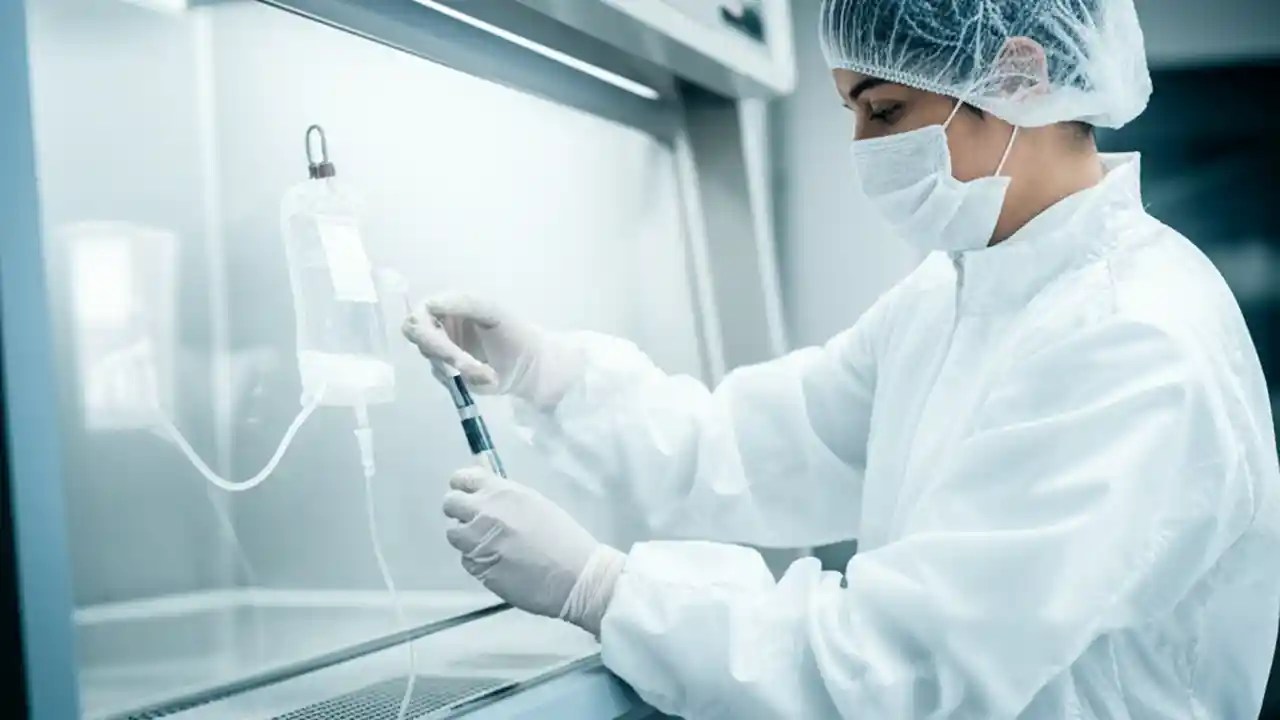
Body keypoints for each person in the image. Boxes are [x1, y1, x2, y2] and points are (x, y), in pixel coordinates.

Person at [403, 0, 1280, 717]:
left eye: (883, 109)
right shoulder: (959, 292)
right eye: (852, 112)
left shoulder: (1131, 343)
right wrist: (551, 375)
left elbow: (903, 667)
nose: (863, 147)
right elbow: (754, 445)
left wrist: (605, 591)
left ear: (1019, 75)